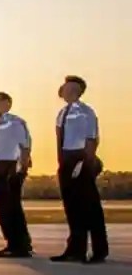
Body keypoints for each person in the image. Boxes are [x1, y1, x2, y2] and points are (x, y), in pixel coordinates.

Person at [51, 76, 107, 264]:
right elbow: (60, 140)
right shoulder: (62, 113)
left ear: (76, 90)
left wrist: (85, 162)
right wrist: (60, 162)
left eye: (67, 87)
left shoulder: (86, 112)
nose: (63, 90)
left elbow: (92, 139)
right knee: (72, 208)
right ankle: (75, 249)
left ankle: (99, 250)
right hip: (66, 160)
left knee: (89, 207)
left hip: (81, 158)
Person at [0, 92, 33, 258]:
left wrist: (22, 169)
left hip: (11, 166)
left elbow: (25, 146)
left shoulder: (15, 123)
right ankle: (13, 242)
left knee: (12, 206)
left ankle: (20, 245)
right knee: (2, 207)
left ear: (7, 104)